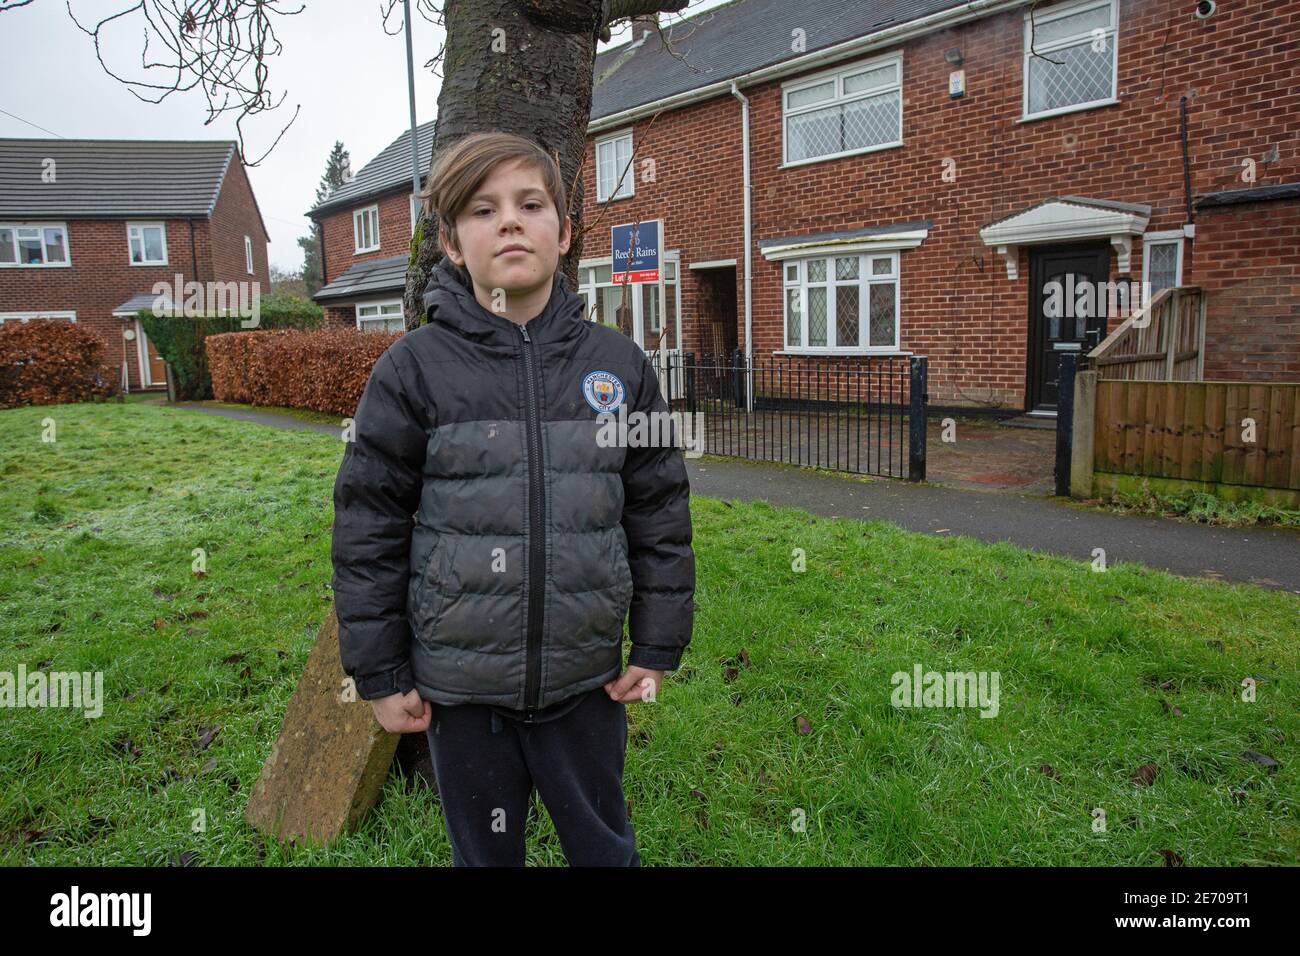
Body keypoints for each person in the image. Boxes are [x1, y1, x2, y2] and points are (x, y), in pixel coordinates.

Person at [330, 130, 695, 866]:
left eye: (530, 204)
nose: (508, 221)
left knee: (603, 849)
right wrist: (379, 671)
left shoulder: (619, 367)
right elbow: (368, 527)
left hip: (586, 681)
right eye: (482, 209)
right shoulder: (413, 369)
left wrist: (656, 644)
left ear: (563, 234)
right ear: (453, 245)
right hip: (462, 694)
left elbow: (659, 513)